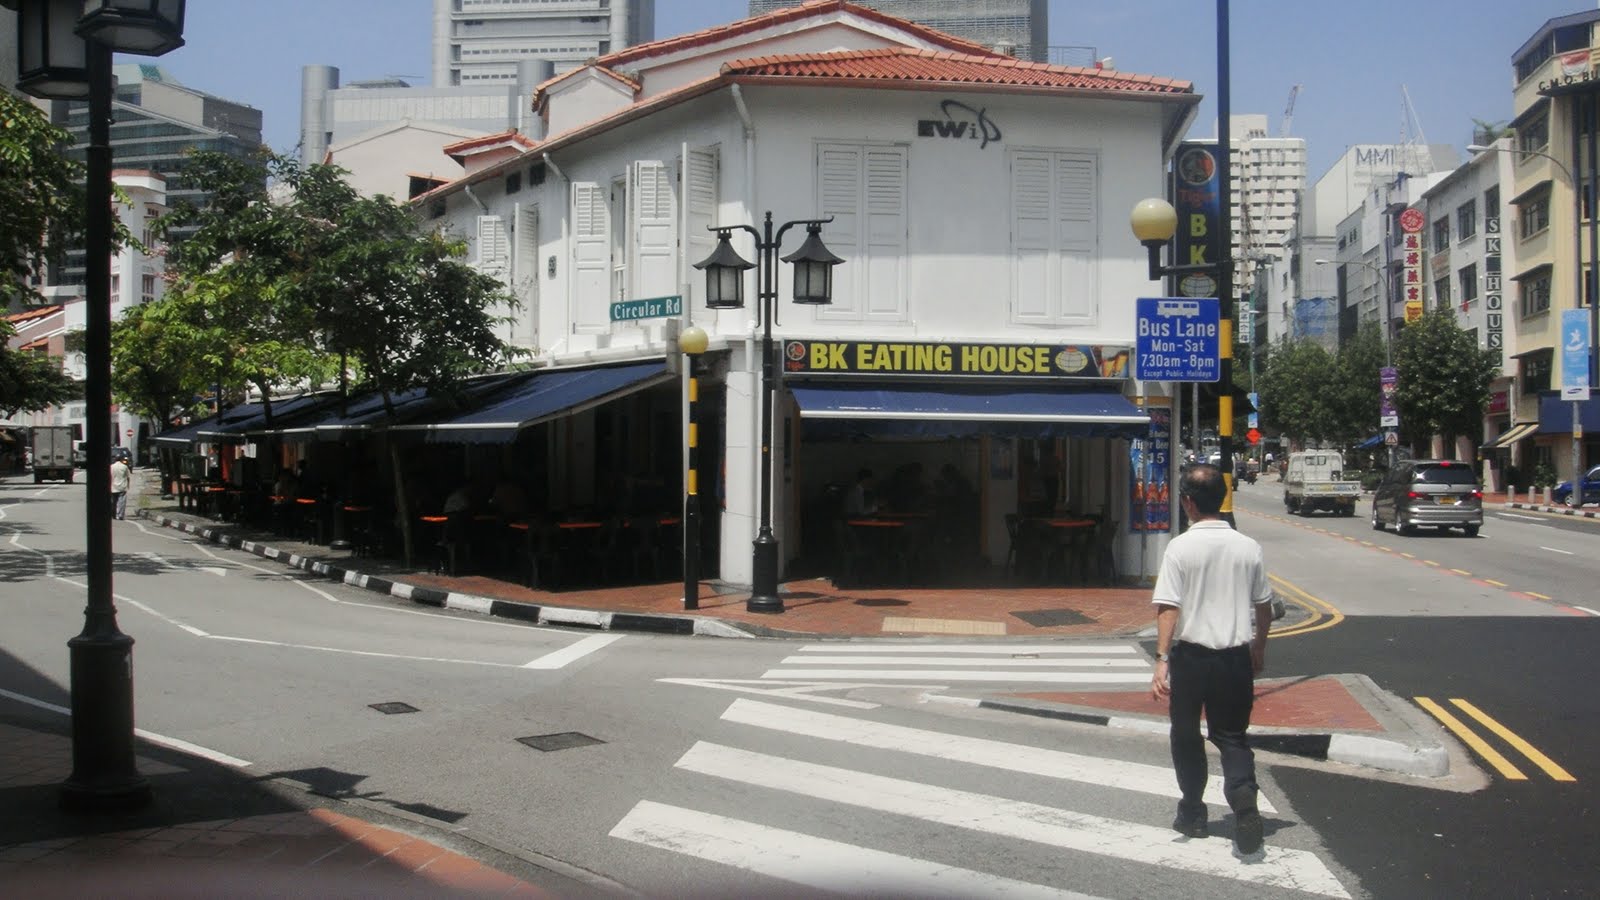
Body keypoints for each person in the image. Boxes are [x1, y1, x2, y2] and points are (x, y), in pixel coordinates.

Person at [1149, 463, 1273, 855]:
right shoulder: (1247, 547)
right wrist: (1258, 647)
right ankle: (1243, 801)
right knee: (1232, 737)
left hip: (1191, 658)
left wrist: (1161, 658)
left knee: (1186, 735)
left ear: (1187, 502)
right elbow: (1264, 606)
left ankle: (1193, 812)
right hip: (1235, 658)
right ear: (1221, 499)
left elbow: (1168, 607)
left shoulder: (1180, 547)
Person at [110, 455, 131, 520]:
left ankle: (113, 514)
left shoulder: (111, 467)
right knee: (121, 502)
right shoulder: (124, 467)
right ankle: (120, 515)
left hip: (113, 487)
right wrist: (128, 485)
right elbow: (128, 477)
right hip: (122, 487)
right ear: (121, 459)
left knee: (113, 502)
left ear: (115, 459)